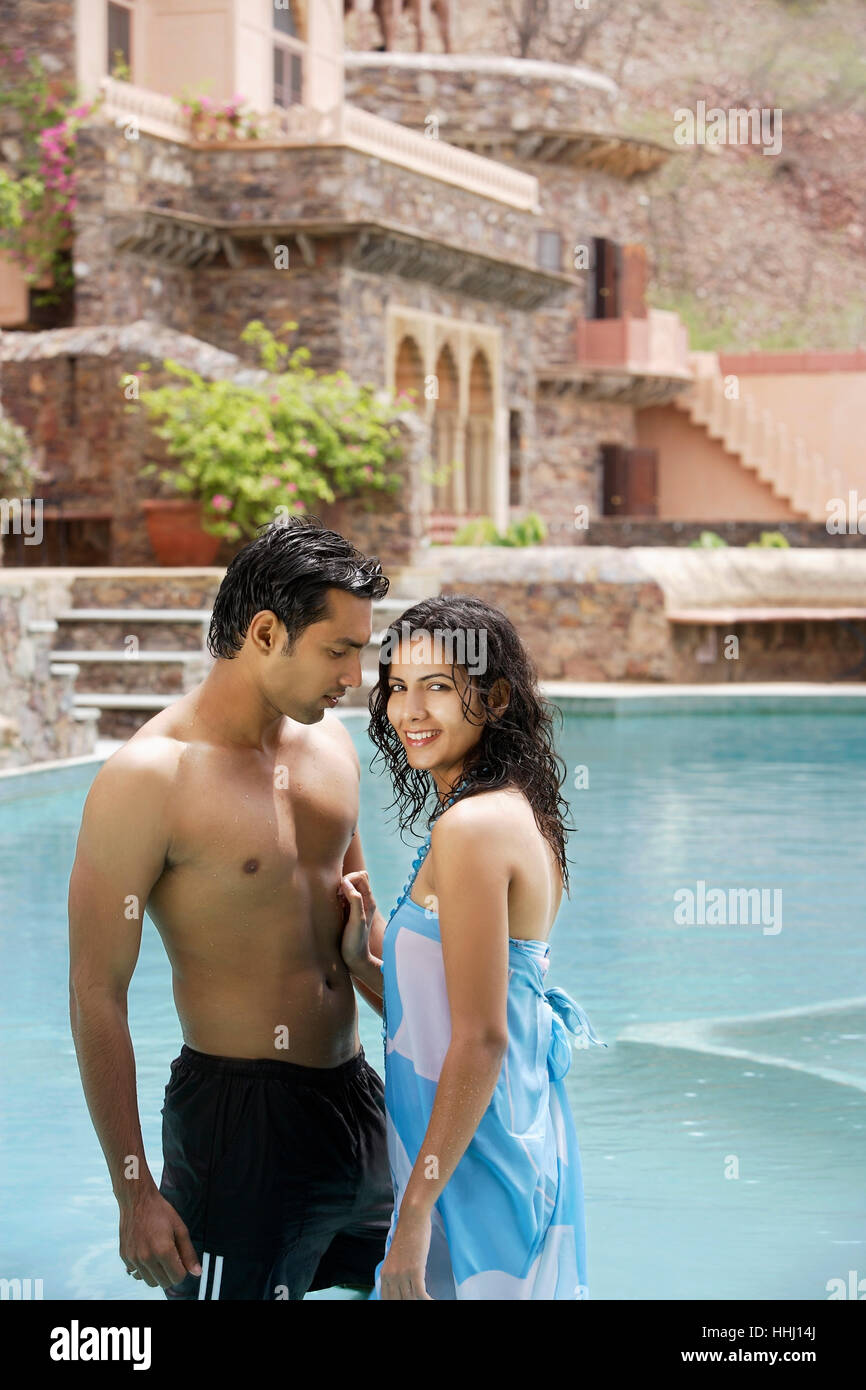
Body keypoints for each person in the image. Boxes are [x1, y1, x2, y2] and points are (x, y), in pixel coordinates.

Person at [68, 517, 395, 1300]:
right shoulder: (151, 777)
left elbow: (363, 936)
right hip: (236, 1123)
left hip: (357, 1097)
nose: (355, 675)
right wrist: (134, 1190)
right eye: (339, 650)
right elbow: (95, 993)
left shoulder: (333, 748)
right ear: (265, 632)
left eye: (362, 651)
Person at [337, 595, 606, 1300]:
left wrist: (416, 1215)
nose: (410, 711)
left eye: (437, 687)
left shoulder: (475, 828)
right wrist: (360, 966)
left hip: (472, 1169)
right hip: (482, 1143)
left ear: (491, 698)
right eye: (398, 687)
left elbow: (482, 1039)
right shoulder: (508, 810)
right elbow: (447, 1016)